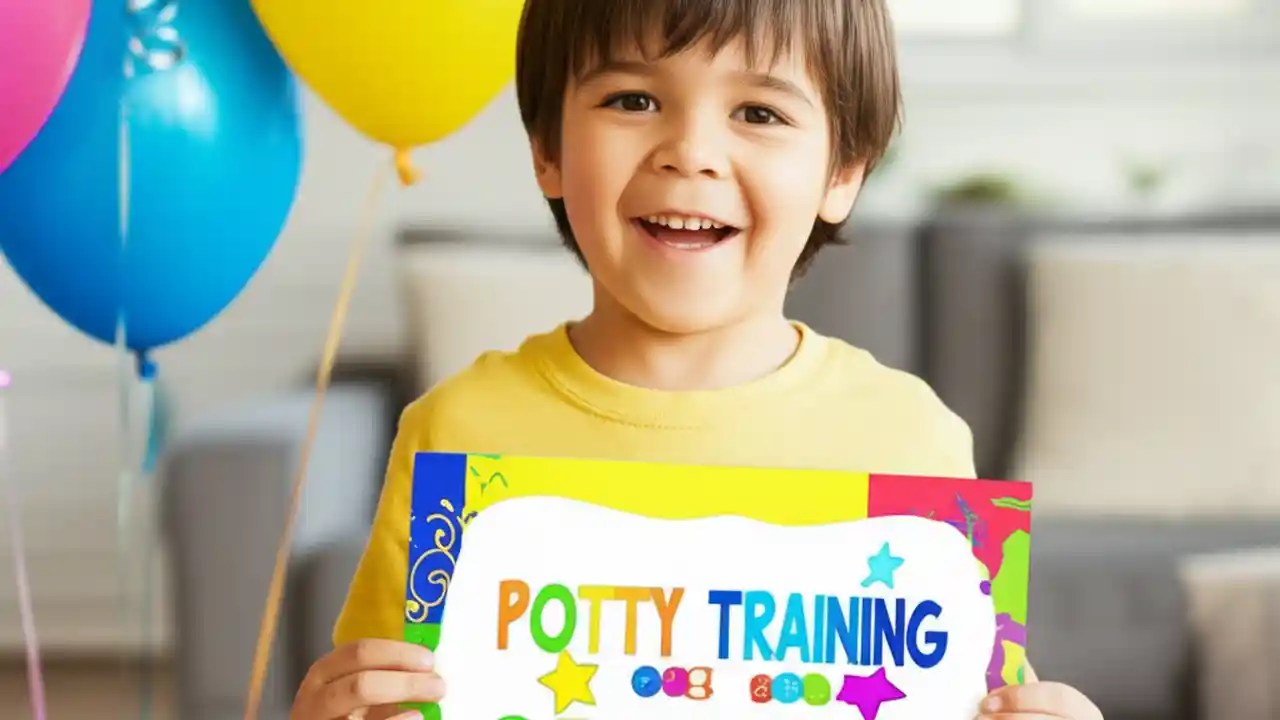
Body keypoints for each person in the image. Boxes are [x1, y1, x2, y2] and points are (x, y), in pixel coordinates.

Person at [290, 0, 1104, 718]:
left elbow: (973, 696)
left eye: (758, 113)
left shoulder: (913, 442)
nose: (690, 152)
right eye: (632, 99)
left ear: (844, 171)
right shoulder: (456, 428)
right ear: (547, 149)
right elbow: (391, 692)